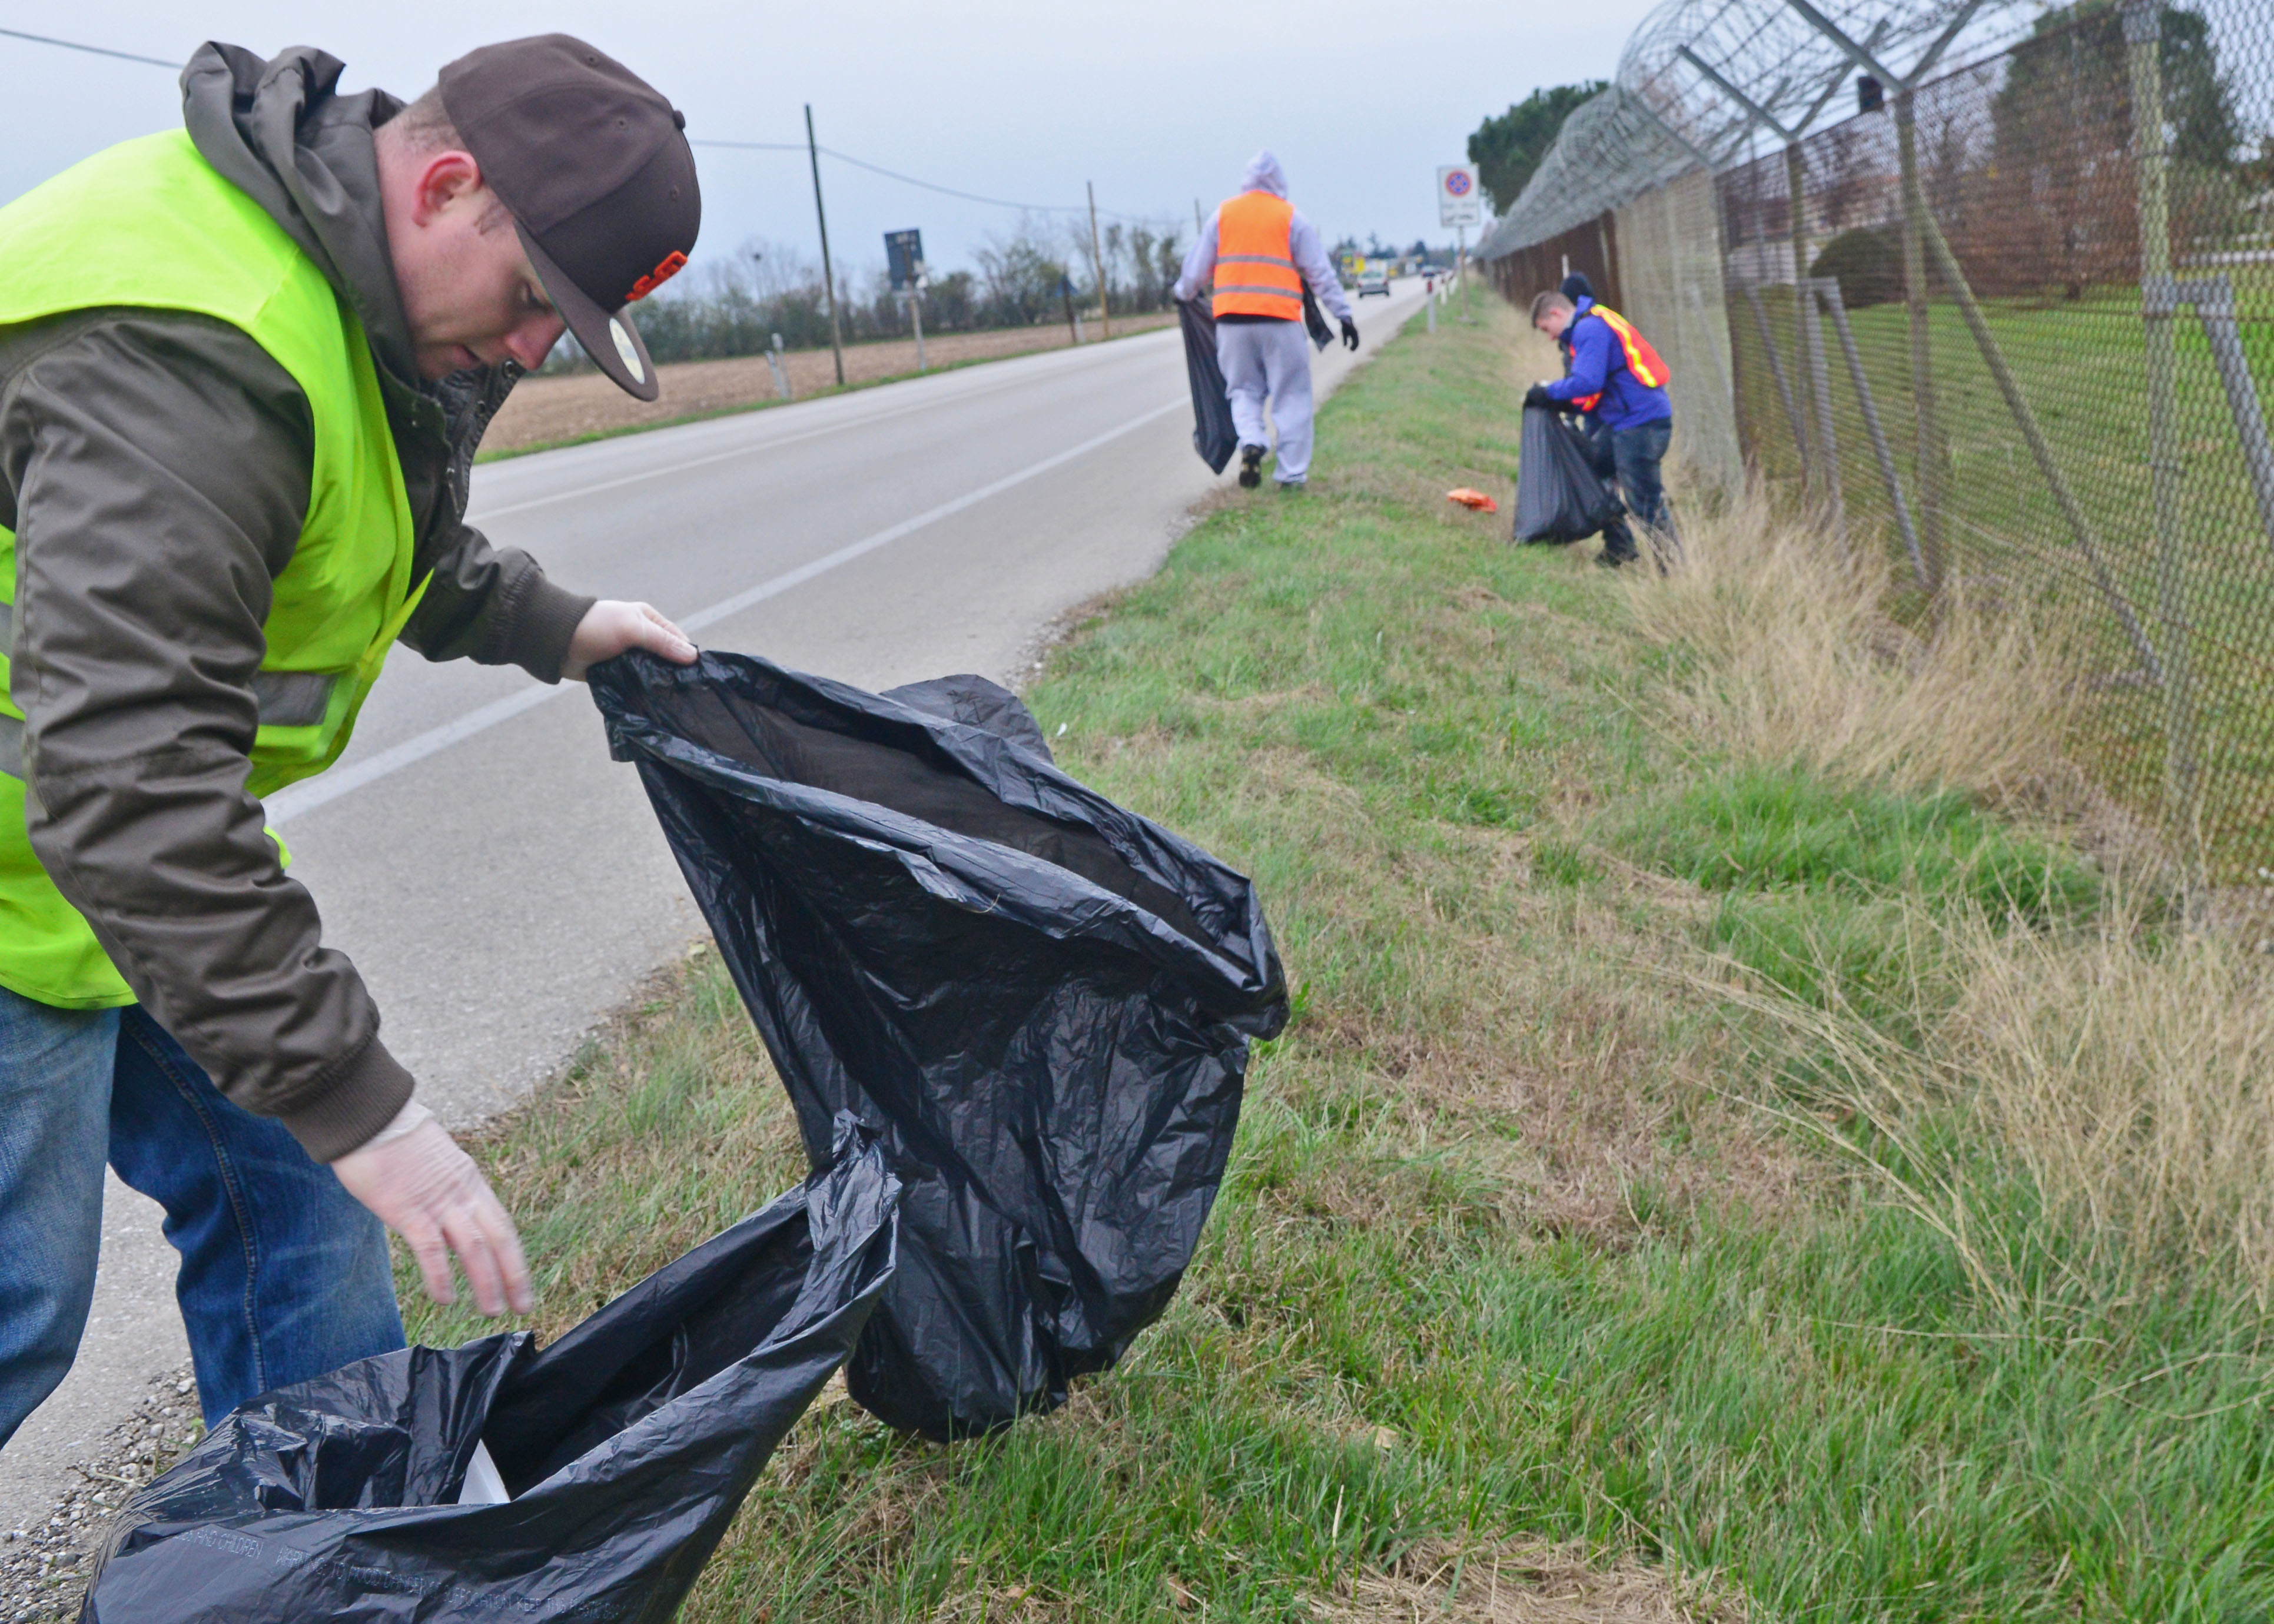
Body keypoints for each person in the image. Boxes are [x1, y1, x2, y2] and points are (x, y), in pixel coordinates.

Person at [0, 35, 705, 1447]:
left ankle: (329, 1562)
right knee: (22, 1301)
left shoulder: (348, 309)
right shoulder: (197, 345)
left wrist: (554, 623)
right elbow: (128, 785)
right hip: (69, 865)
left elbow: (348, 540)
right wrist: (363, 1104)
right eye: (529, 300)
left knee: (300, 1213)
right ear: (448, 186)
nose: (528, 348)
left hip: (109, 877)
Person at [1172, 152, 1358, 491]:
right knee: (1291, 396)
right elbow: (1320, 274)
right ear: (1280, 182)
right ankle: (1291, 475)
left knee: (1242, 390)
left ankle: (1252, 441)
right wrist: (1343, 315)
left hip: (1231, 324)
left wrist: (1182, 293)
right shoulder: (1291, 219)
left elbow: (1194, 272)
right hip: (1279, 321)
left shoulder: (1223, 215)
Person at [1525, 287, 1678, 569]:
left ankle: (1674, 572)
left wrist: (1548, 392)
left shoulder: (1589, 329)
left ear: (1557, 313)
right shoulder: (1593, 322)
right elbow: (1596, 391)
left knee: (1645, 502)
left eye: (1547, 328)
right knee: (1591, 471)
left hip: (1640, 425)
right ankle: (1620, 548)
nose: (1550, 336)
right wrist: (1564, 404)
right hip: (1626, 421)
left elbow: (1588, 382)